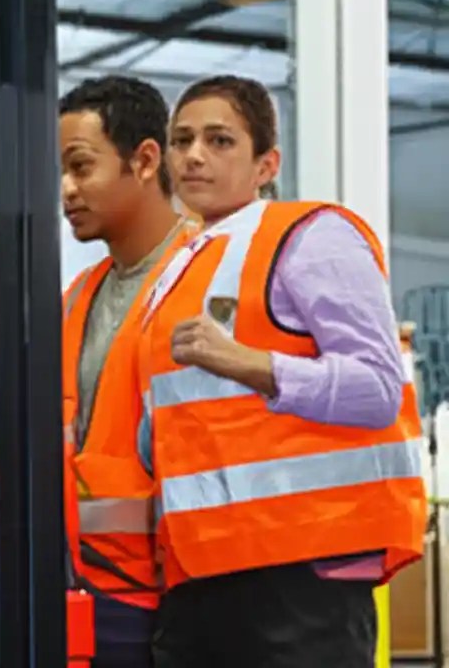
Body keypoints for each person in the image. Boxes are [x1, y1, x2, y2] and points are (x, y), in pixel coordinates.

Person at [141, 74, 427, 667]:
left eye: (220, 141)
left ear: (266, 163)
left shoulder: (311, 236)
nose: (194, 155)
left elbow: (377, 388)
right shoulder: (180, 266)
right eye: (182, 139)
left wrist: (255, 365)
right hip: (203, 574)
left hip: (300, 573)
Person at [58, 76, 193, 668]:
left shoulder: (204, 279)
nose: (66, 190)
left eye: (81, 167)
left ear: (144, 160)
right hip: (88, 584)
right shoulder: (77, 297)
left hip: (181, 597)